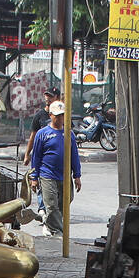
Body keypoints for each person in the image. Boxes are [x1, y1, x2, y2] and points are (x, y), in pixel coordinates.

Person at [30, 100, 82, 237]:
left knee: (66, 201)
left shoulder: (69, 134)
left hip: (65, 175)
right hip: (47, 175)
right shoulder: (42, 134)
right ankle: (59, 231)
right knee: (51, 204)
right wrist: (34, 178)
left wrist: (77, 176)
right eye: (57, 115)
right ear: (50, 115)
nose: (60, 119)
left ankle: (48, 222)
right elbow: (36, 157)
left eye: (62, 115)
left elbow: (74, 155)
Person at [24, 87, 59, 217]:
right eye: (46, 95)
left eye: (50, 96)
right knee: (42, 182)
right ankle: (43, 210)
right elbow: (32, 136)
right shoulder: (40, 116)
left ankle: (52, 211)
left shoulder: (63, 114)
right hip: (42, 158)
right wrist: (27, 154)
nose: (47, 98)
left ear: (57, 97)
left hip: (57, 160)